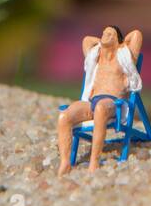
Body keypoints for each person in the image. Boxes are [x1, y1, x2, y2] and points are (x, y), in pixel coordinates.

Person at [56, 25, 143, 175]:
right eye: (103, 32)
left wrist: (119, 44)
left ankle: (94, 161)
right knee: (64, 117)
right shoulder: (95, 56)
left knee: (101, 109)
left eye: (110, 34)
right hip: (92, 101)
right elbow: (86, 40)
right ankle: (65, 162)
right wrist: (104, 42)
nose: (105, 35)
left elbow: (136, 35)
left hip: (113, 103)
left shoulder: (124, 56)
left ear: (119, 40)